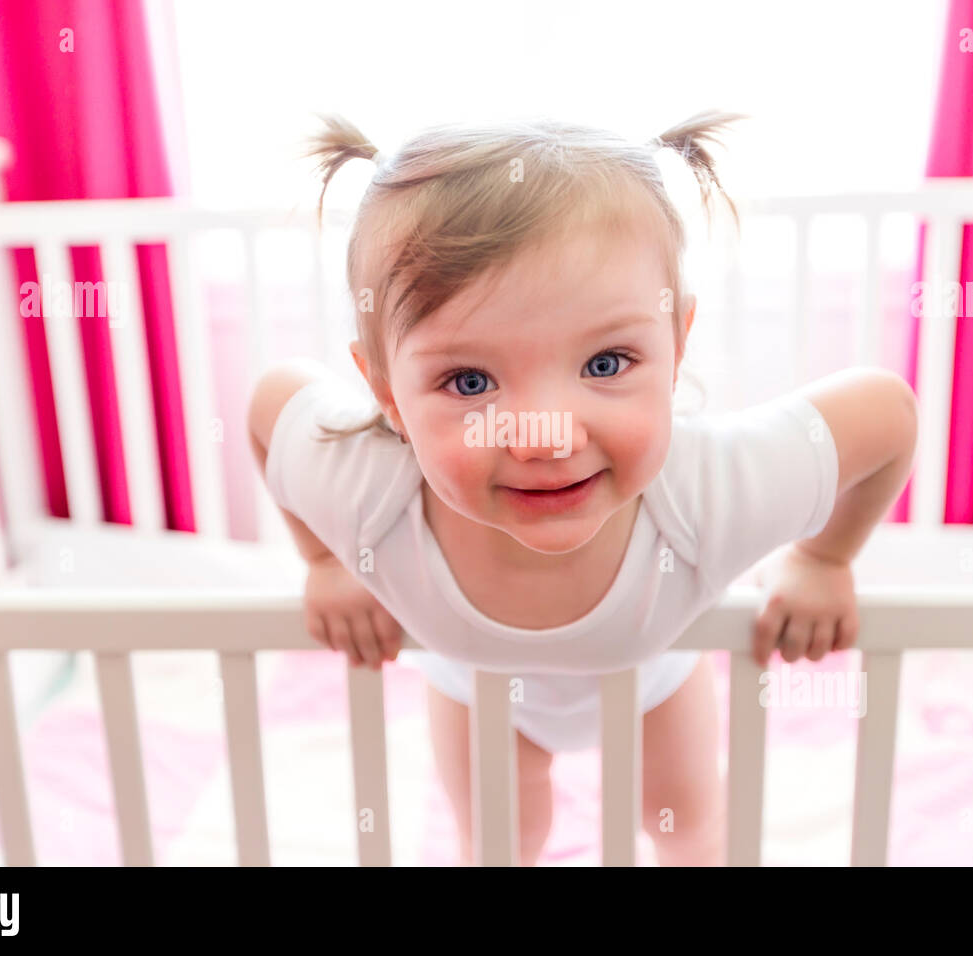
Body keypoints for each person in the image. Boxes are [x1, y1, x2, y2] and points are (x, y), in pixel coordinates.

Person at [248, 111, 919, 866]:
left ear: (677, 344)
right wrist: (326, 562)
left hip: (653, 679)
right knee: (499, 845)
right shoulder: (371, 499)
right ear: (388, 395)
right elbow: (271, 406)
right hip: (480, 692)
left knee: (690, 832)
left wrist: (823, 560)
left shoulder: (707, 493)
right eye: (470, 381)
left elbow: (888, 415)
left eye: (606, 364)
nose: (547, 437)